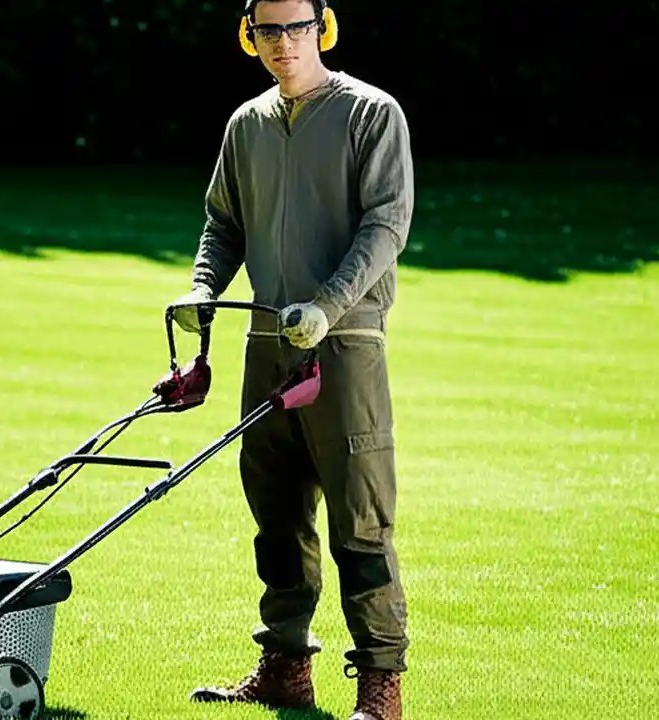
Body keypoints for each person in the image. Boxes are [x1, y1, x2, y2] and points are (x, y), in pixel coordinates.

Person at [173, 1, 414, 719]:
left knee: (360, 519)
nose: (284, 43)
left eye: (296, 27)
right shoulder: (245, 125)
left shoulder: (372, 114)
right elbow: (223, 221)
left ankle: (380, 683)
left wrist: (329, 305)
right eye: (268, 30)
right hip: (265, 345)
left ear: (325, 28)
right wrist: (202, 288)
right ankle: (284, 664)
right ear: (249, 36)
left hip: (346, 349)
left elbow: (386, 224)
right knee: (275, 512)